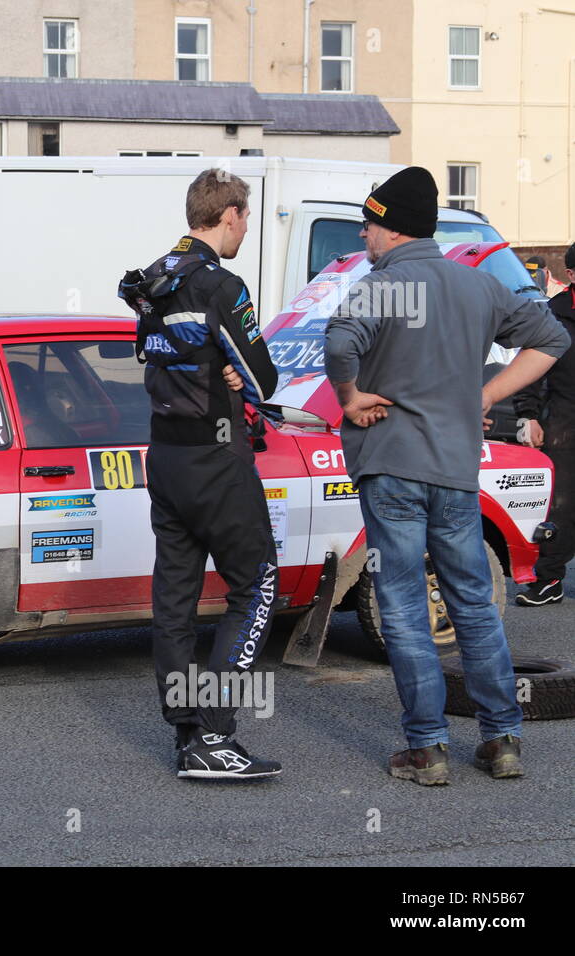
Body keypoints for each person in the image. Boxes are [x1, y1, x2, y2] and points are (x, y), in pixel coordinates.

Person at [324, 166, 569, 784]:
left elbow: (338, 346)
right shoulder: (478, 285)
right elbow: (550, 339)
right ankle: (501, 739)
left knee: (405, 608)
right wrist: (487, 395)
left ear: (392, 229)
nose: (364, 235)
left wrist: (351, 398)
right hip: (458, 470)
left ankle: (428, 749)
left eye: (370, 224)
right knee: (475, 605)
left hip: (392, 466)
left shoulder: (381, 286)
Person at [119, 168, 282, 780]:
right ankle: (215, 734)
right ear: (231, 214)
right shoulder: (220, 283)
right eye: (246, 218)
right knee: (257, 585)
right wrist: (239, 377)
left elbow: (155, 357)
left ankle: (188, 736)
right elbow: (263, 379)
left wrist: (220, 370)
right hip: (217, 461)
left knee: (175, 601)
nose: (246, 229)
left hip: (164, 457)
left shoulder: (153, 278)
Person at [513, 242, 575, 606]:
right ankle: (550, 580)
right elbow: (531, 370)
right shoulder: (554, 313)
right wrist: (529, 415)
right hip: (565, 422)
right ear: (570, 275)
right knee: (561, 505)